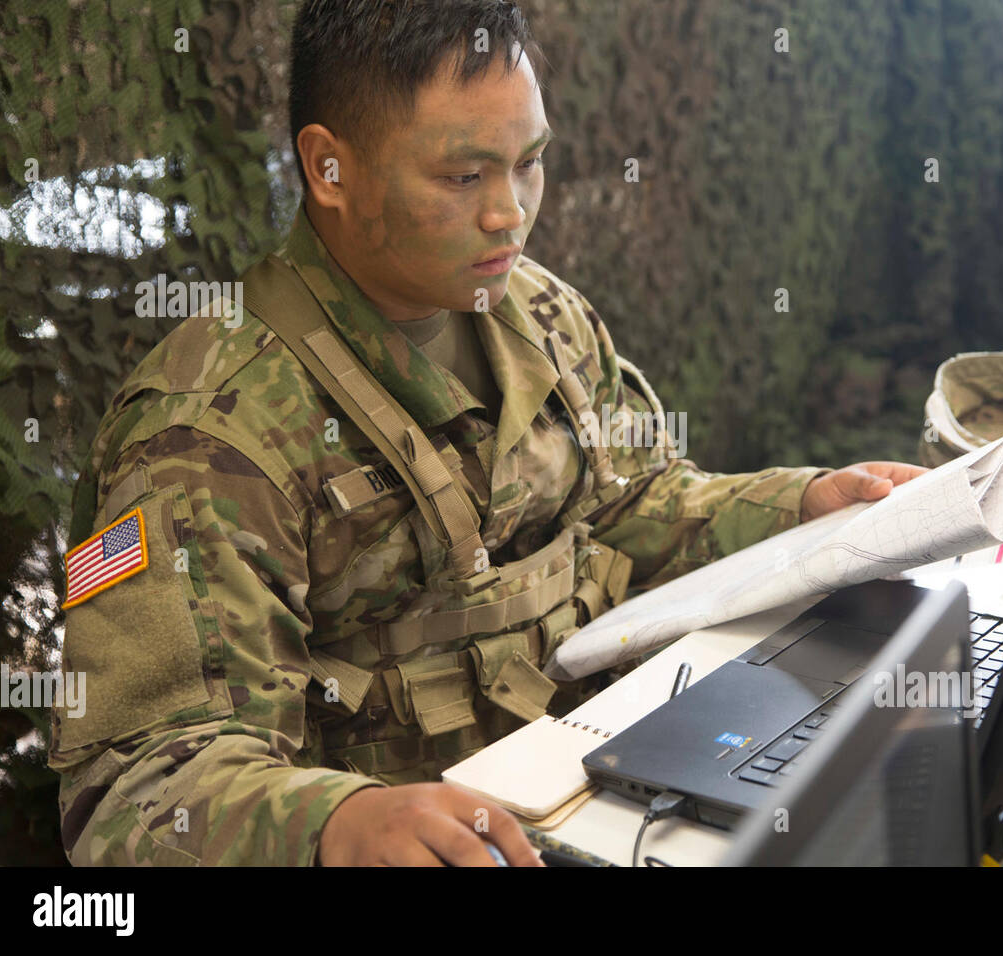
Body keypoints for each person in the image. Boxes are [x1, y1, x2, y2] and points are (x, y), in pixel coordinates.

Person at [50, 0, 927, 867]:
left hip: (607, 798)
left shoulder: (539, 313)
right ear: (329, 168)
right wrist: (338, 825)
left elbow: (632, 504)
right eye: (464, 177)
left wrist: (804, 505)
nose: (510, 213)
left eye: (530, 162)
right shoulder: (203, 438)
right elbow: (136, 795)